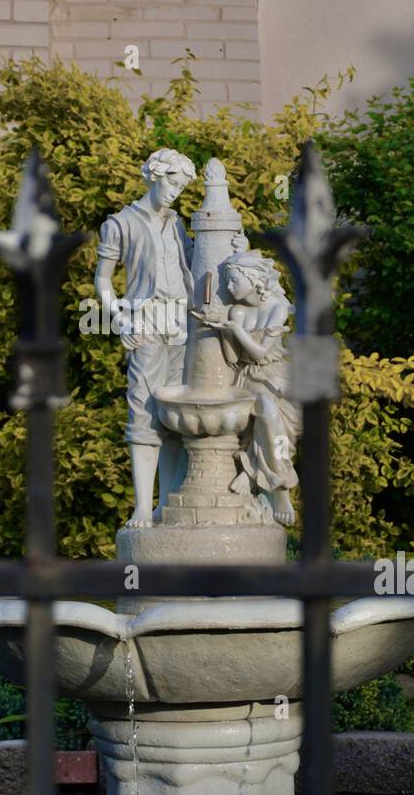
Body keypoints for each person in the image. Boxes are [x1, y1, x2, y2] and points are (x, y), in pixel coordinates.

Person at [94, 149, 195, 527]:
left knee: (175, 417)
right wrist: (119, 318)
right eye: (172, 182)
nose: (175, 192)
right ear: (154, 175)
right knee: (144, 411)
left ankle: (165, 504)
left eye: (182, 187)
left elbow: (189, 268)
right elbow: (103, 279)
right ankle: (141, 506)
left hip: (181, 324)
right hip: (147, 321)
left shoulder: (177, 223)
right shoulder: (120, 223)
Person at [194, 249, 300, 525]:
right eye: (227, 281)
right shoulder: (237, 311)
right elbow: (233, 358)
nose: (229, 288)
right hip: (249, 378)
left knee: (280, 420)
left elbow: (263, 353)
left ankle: (252, 470)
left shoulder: (277, 307)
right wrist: (224, 330)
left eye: (234, 281)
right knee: (266, 410)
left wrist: (234, 329)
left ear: (254, 280)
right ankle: (281, 488)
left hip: (278, 376)